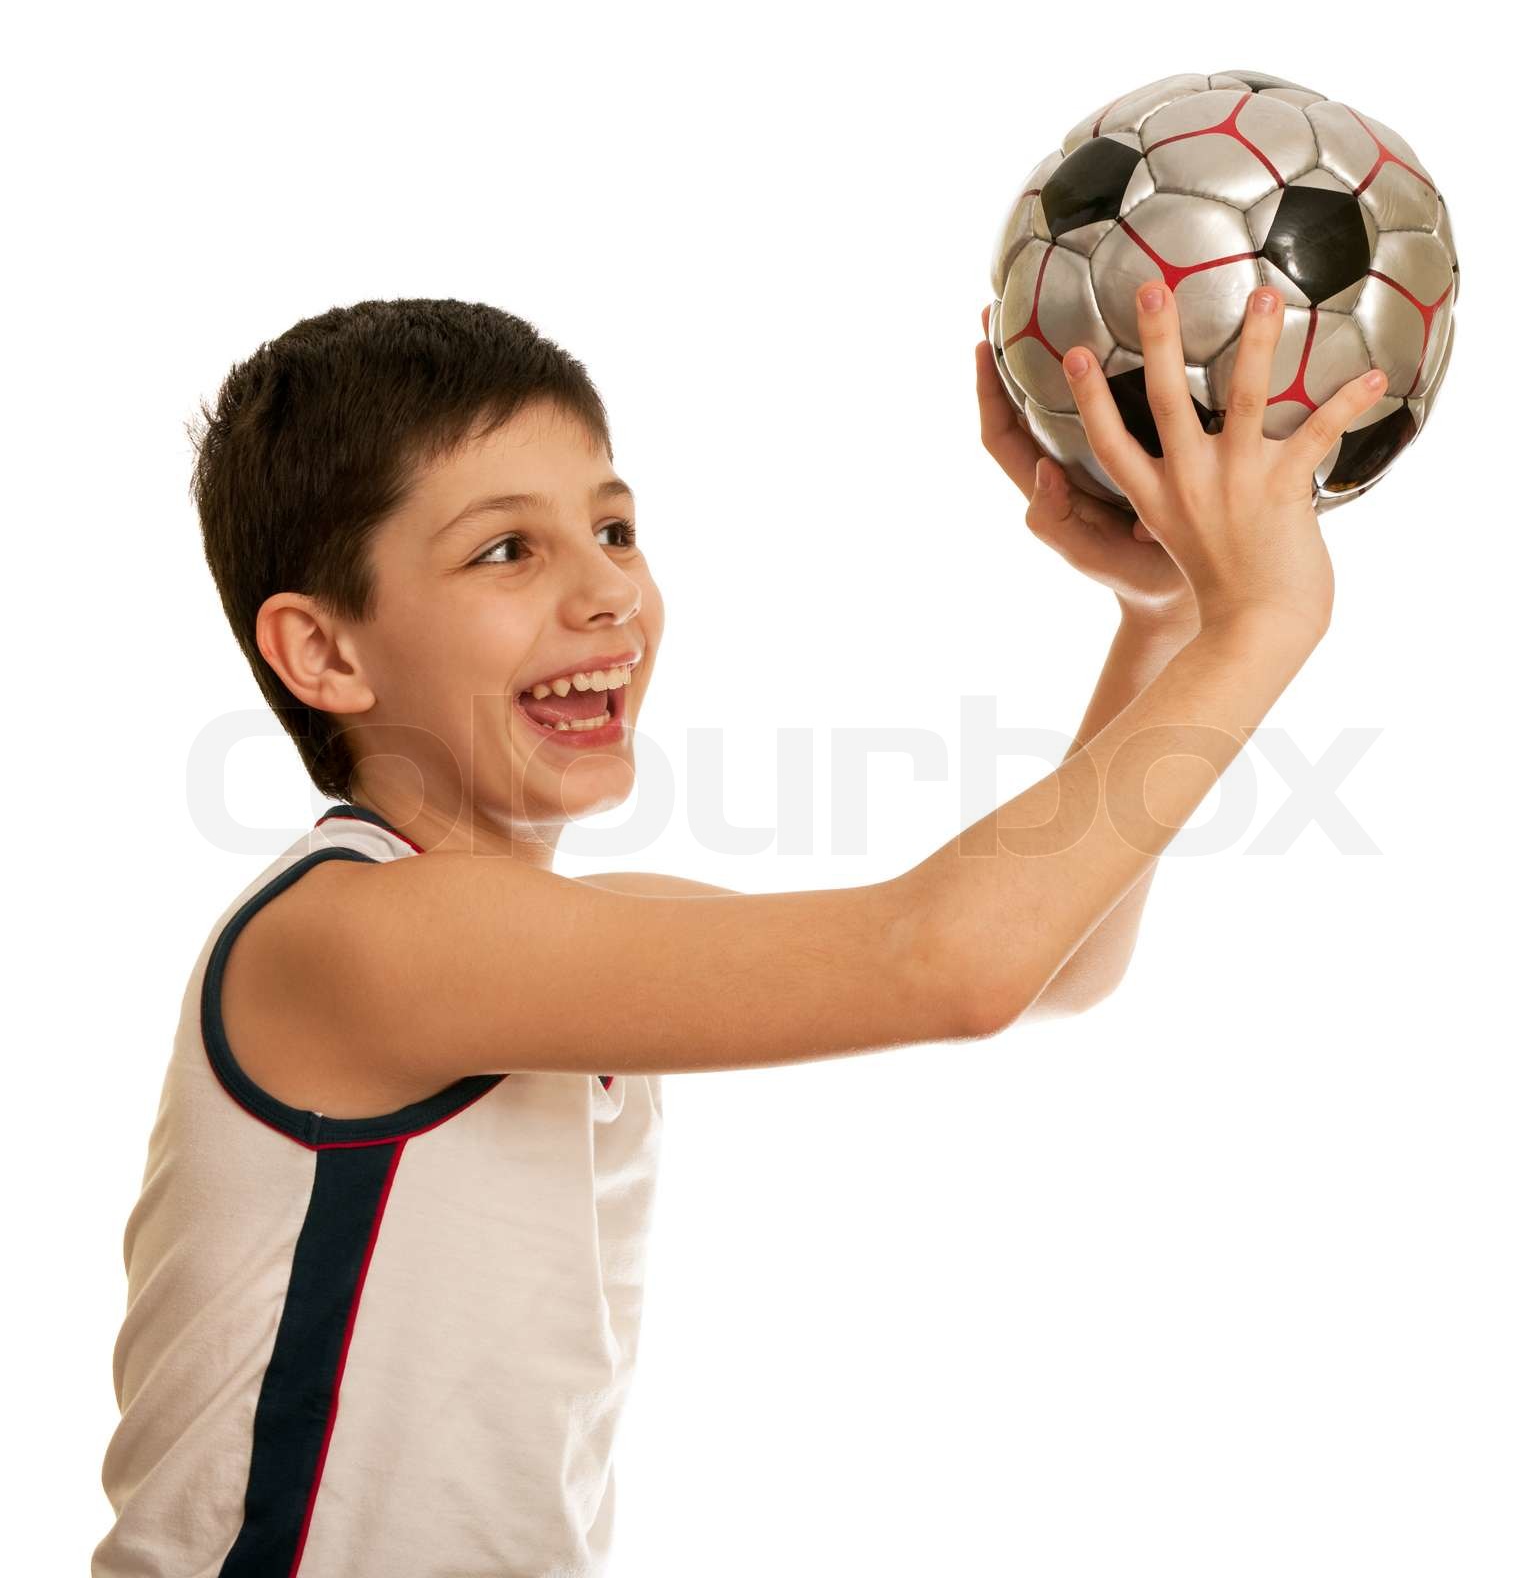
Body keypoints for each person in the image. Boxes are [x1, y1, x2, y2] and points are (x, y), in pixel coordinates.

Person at [91, 285, 1388, 1575]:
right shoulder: (359, 939)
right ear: (323, 654)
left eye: (614, 526)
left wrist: (1158, 623)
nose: (607, 592)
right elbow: (947, 961)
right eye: (506, 550)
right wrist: (1259, 621)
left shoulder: (569, 947)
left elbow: (1055, 957)